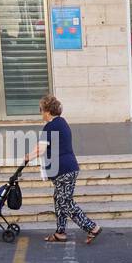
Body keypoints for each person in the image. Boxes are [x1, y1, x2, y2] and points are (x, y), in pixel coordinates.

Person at [25, 94, 102, 244]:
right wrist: (31, 153)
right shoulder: (61, 122)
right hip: (67, 168)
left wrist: (27, 157)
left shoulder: (50, 126)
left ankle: (92, 227)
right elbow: (41, 146)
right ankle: (60, 232)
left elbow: (40, 150)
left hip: (64, 170)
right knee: (59, 200)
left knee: (65, 203)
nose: (40, 113)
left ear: (47, 111)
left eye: (41, 110)